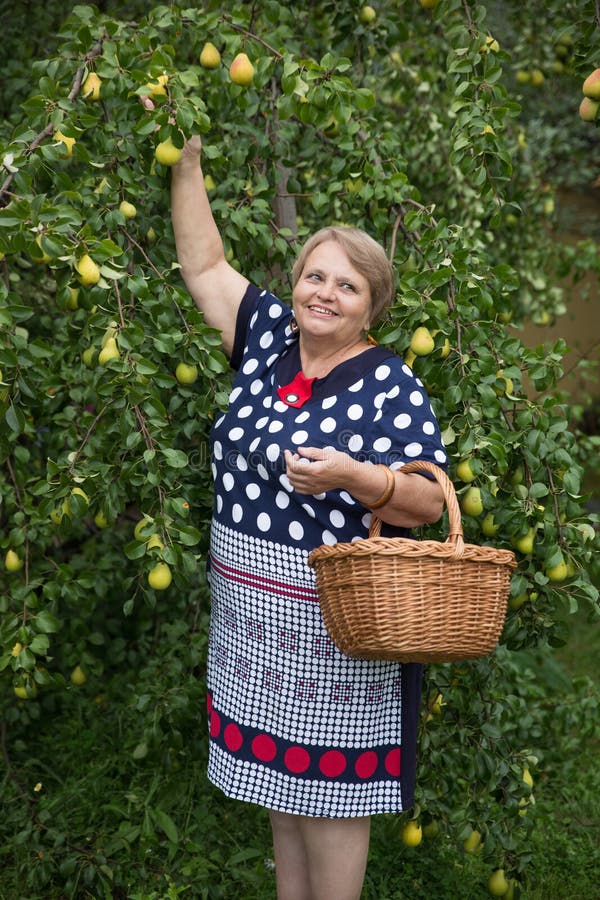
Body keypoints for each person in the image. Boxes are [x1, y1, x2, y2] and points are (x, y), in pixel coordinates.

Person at [171, 134, 447, 900]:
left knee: (329, 798)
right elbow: (203, 266)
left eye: (347, 286)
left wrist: (359, 477)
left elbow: (428, 502)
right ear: (294, 285)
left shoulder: (390, 383)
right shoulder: (267, 342)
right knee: (283, 798)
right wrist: (188, 163)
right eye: (313, 276)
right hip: (252, 619)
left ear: (372, 306)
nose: (324, 293)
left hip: (333, 628)